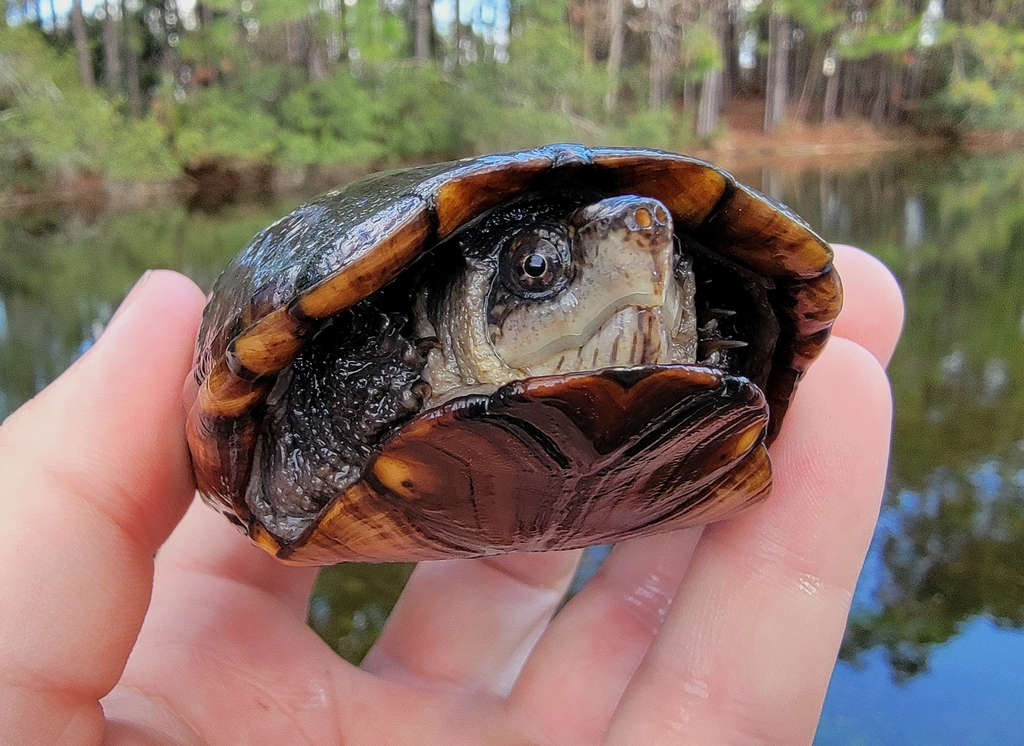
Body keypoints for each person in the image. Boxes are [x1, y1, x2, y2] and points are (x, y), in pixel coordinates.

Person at [0, 245, 902, 746]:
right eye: (545, 271)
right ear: (461, 305)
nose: (640, 268)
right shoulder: (382, 344)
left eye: (660, 255)